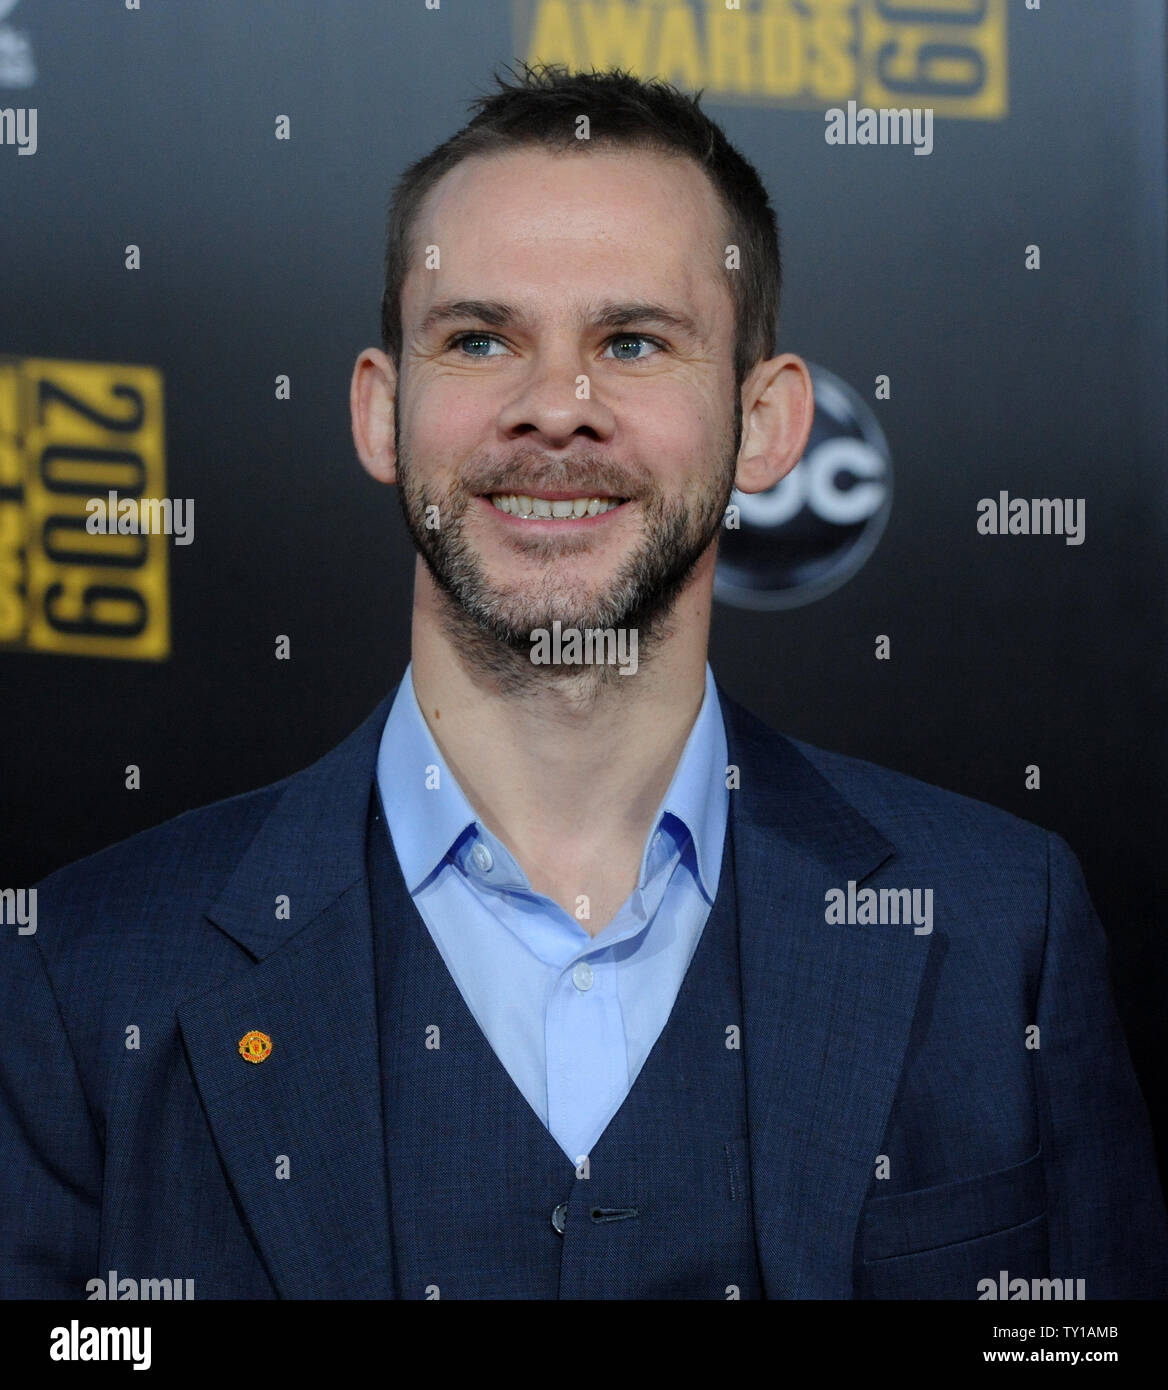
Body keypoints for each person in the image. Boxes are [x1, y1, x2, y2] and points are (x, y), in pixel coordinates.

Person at [2, 63, 1165, 1301]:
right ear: (382, 412)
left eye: (631, 342)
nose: (557, 411)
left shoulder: (999, 930)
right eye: (481, 339)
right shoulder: (86, 973)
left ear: (764, 423)